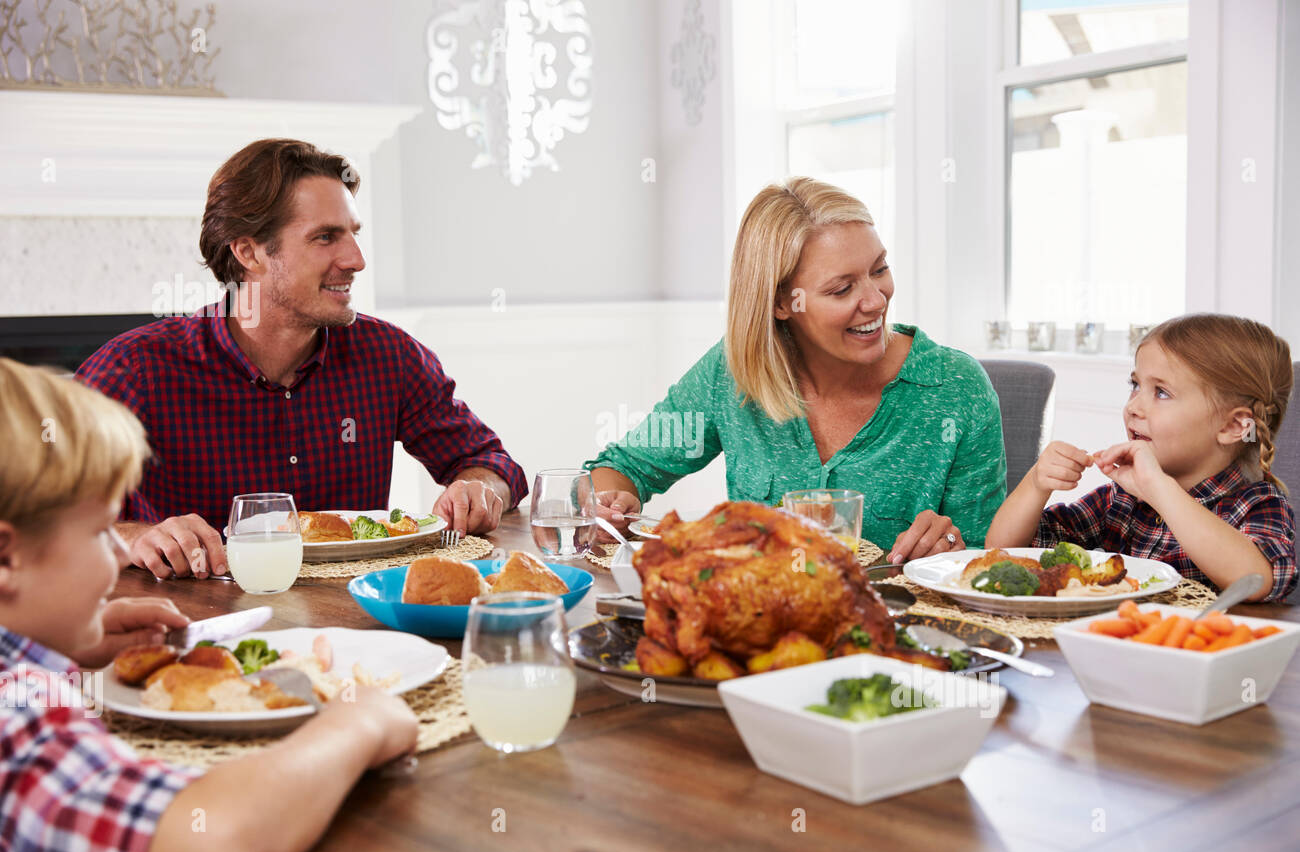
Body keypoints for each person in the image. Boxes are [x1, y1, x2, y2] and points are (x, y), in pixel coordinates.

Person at [0, 358, 418, 852]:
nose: (116, 552)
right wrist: (360, 722)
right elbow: (216, 843)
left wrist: (67, 645)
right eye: (98, 532)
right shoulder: (18, 715)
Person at [77, 139, 528, 580]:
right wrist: (132, 537)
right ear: (248, 251)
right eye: (325, 238)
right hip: (202, 634)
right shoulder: (135, 369)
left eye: (353, 234)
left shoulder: (388, 356)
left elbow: (489, 460)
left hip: (360, 627)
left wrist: (480, 488)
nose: (356, 259)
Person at [584, 177, 1007, 561]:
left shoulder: (956, 387)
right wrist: (611, 502)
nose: (876, 300)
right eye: (842, 288)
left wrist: (950, 545)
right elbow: (624, 468)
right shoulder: (733, 372)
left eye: (880, 269)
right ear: (781, 303)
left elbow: (988, 557)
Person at [986, 313, 1296, 602]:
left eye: (1161, 392)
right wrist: (1036, 483)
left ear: (1232, 426)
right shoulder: (1121, 500)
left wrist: (1159, 489)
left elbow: (1258, 580)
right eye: (1135, 385)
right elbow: (1003, 551)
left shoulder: (1258, 502)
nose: (1134, 406)